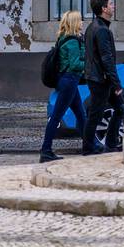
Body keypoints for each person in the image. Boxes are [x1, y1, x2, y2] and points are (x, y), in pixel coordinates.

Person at [39, 9, 89, 163]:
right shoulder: (73, 41)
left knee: (81, 114)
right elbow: (75, 65)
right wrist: (89, 64)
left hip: (67, 80)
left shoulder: (64, 38)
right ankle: (46, 151)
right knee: (56, 116)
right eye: (80, 20)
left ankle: (89, 145)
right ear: (75, 23)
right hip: (69, 80)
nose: (82, 22)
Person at [82, 0, 124, 154]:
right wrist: (116, 83)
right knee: (95, 114)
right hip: (100, 79)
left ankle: (111, 144)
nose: (113, 6)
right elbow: (106, 59)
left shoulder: (94, 26)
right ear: (104, 9)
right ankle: (88, 149)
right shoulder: (101, 30)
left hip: (98, 78)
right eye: (111, 4)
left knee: (120, 108)